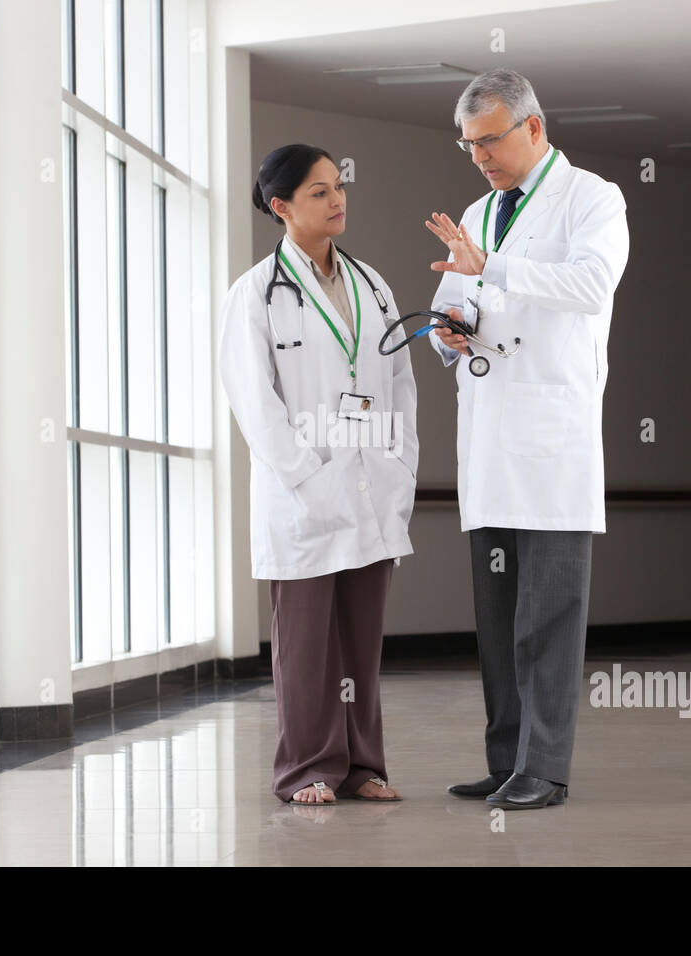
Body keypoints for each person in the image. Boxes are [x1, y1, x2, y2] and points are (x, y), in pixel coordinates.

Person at [424, 69, 630, 810]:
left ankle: (545, 768)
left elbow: (591, 285)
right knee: (498, 616)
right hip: (489, 438)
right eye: (468, 144)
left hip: (552, 442)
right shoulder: (479, 213)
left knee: (547, 615)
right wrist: (445, 331)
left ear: (533, 128)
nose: (478, 157)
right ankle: (506, 758)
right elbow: (454, 302)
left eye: (489, 141)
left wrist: (497, 267)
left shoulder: (593, 199)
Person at [219, 144, 420, 805]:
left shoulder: (374, 285)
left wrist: (400, 462)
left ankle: (362, 764)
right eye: (319, 192)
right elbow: (255, 401)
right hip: (302, 495)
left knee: (361, 642)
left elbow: (399, 382)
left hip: (370, 484)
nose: (337, 200)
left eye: (338, 187)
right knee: (306, 648)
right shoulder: (254, 295)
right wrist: (306, 476)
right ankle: (307, 767)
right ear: (281, 207)